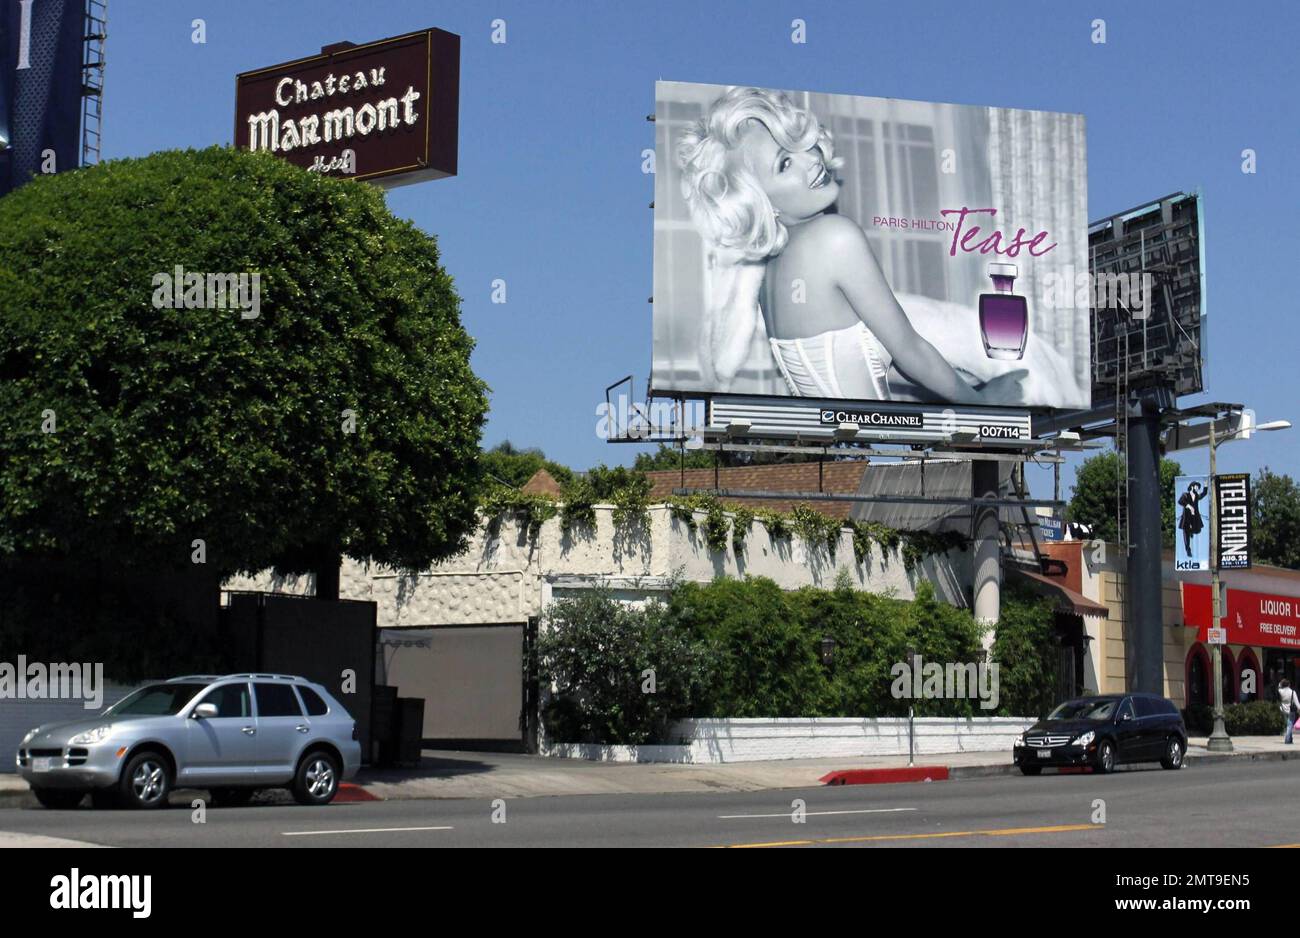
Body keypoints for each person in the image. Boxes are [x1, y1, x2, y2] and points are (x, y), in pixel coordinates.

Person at [676, 86, 1028, 403]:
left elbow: (867, 359)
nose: (812, 160)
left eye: (798, 145)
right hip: (869, 452)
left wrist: (963, 384)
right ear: (762, 204)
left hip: (831, 450)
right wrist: (983, 404)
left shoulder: (771, 269)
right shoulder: (833, 237)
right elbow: (908, 350)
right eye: (784, 164)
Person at [1178, 481, 1208, 558]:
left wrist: (1205, 485)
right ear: (1192, 486)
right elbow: (1180, 501)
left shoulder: (1197, 496)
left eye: (1198, 487)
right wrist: (1188, 505)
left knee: (1198, 530)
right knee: (1186, 534)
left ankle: (1192, 531)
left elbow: (1204, 494)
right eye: (1197, 487)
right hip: (1187, 518)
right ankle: (1188, 550)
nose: (1198, 489)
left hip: (1195, 517)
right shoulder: (1185, 494)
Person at [1279, 678, 1298, 744]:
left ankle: (1290, 739)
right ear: (1289, 685)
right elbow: (1297, 703)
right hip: (1291, 711)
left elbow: (1279, 686)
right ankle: (1287, 739)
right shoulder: (1292, 692)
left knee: (1288, 725)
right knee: (1289, 725)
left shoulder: (1280, 691)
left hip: (1283, 710)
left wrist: (1281, 682)